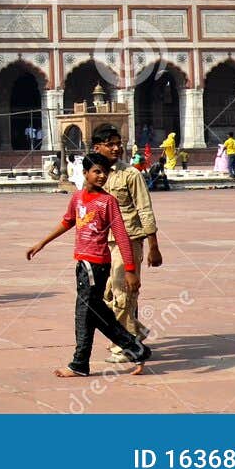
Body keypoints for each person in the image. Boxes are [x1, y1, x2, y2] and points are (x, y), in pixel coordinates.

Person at [26, 152, 151, 377]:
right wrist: (41, 243)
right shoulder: (78, 198)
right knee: (94, 314)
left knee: (86, 313)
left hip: (96, 266)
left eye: (105, 172)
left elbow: (121, 235)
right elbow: (67, 222)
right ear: (85, 173)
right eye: (97, 172)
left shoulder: (108, 202)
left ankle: (84, 362)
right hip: (82, 264)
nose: (102, 176)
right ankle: (129, 351)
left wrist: (130, 270)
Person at [90, 126, 163, 362]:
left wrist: (153, 245)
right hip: (103, 242)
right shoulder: (95, 175)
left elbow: (145, 209)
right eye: (110, 144)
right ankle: (136, 330)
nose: (116, 148)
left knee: (123, 292)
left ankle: (124, 344)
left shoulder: (130, 174)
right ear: (96, 147)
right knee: (104, 295)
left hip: (129, 240)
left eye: (118, 143)